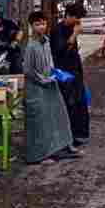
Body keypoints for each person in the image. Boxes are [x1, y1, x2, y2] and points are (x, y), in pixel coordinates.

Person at [23, 11, 82, 165]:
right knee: (41, 121)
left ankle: (63, 146)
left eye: (43, 23)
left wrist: (57, 73)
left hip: (51, 85)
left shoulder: (46, 41)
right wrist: (45, 79)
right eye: (37, 24)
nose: (41, 27)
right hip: (37, 88)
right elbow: (29, 71)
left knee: (59, 115)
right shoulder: (31, 46)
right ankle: (39, 156)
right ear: (31, 26)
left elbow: (50, 63)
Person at [50, 3, 90, 145]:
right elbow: (61, 50)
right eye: (76, 18)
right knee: (69, 104)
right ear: (68, 16)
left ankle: (79, 134)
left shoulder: (71, 27)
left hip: (75, 71)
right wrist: (74, 34)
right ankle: (68, 137)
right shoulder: (58, 30)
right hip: (64, 73)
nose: (78, 22)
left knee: (80, 102)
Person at [0, 4, 24, 75]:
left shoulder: (8, 22)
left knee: (16, 71)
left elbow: (20, 32)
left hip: (12, 51)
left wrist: (15, 42)